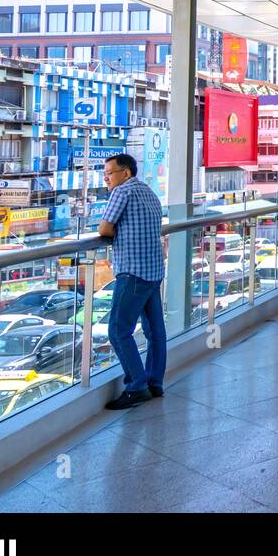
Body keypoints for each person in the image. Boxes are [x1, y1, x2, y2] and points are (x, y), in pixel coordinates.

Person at [98, 153, 167, 410]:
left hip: (132, 272)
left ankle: (137, 386)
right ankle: (155, 382)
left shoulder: (122, 192)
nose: (106, 178)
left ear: (125, 173)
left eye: (109, 173)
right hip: (153, 270)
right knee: (154, 331)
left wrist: (114, 232)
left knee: (118, 330)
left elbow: (104, 229)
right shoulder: (149, 192)